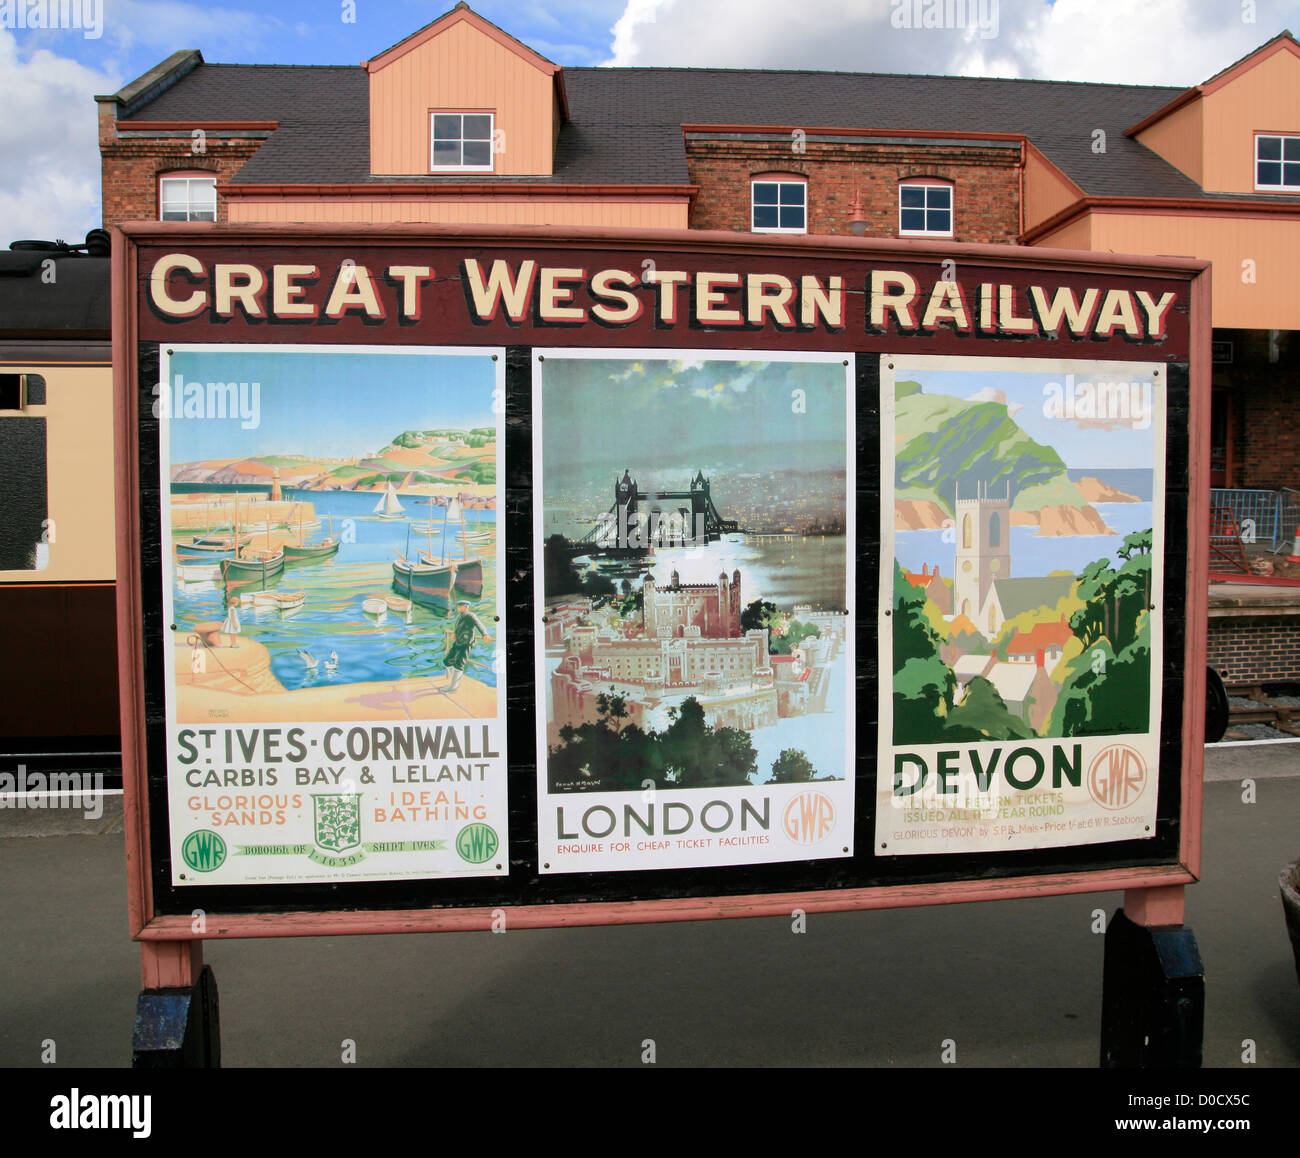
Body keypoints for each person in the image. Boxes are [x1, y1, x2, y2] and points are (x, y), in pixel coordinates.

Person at [442, 598, 492, 693]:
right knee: (447, 661)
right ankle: (452, 683)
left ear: (465, 607)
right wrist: (455, 633)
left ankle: (453, 687)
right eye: (458, 606)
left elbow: (479, 624)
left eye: (460, 606)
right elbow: (458, 627)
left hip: (465, 643)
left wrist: (485, 634)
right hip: (458, 642)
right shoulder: (460, 616)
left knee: (459, 664)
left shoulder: (470, 615)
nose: (458, 608)